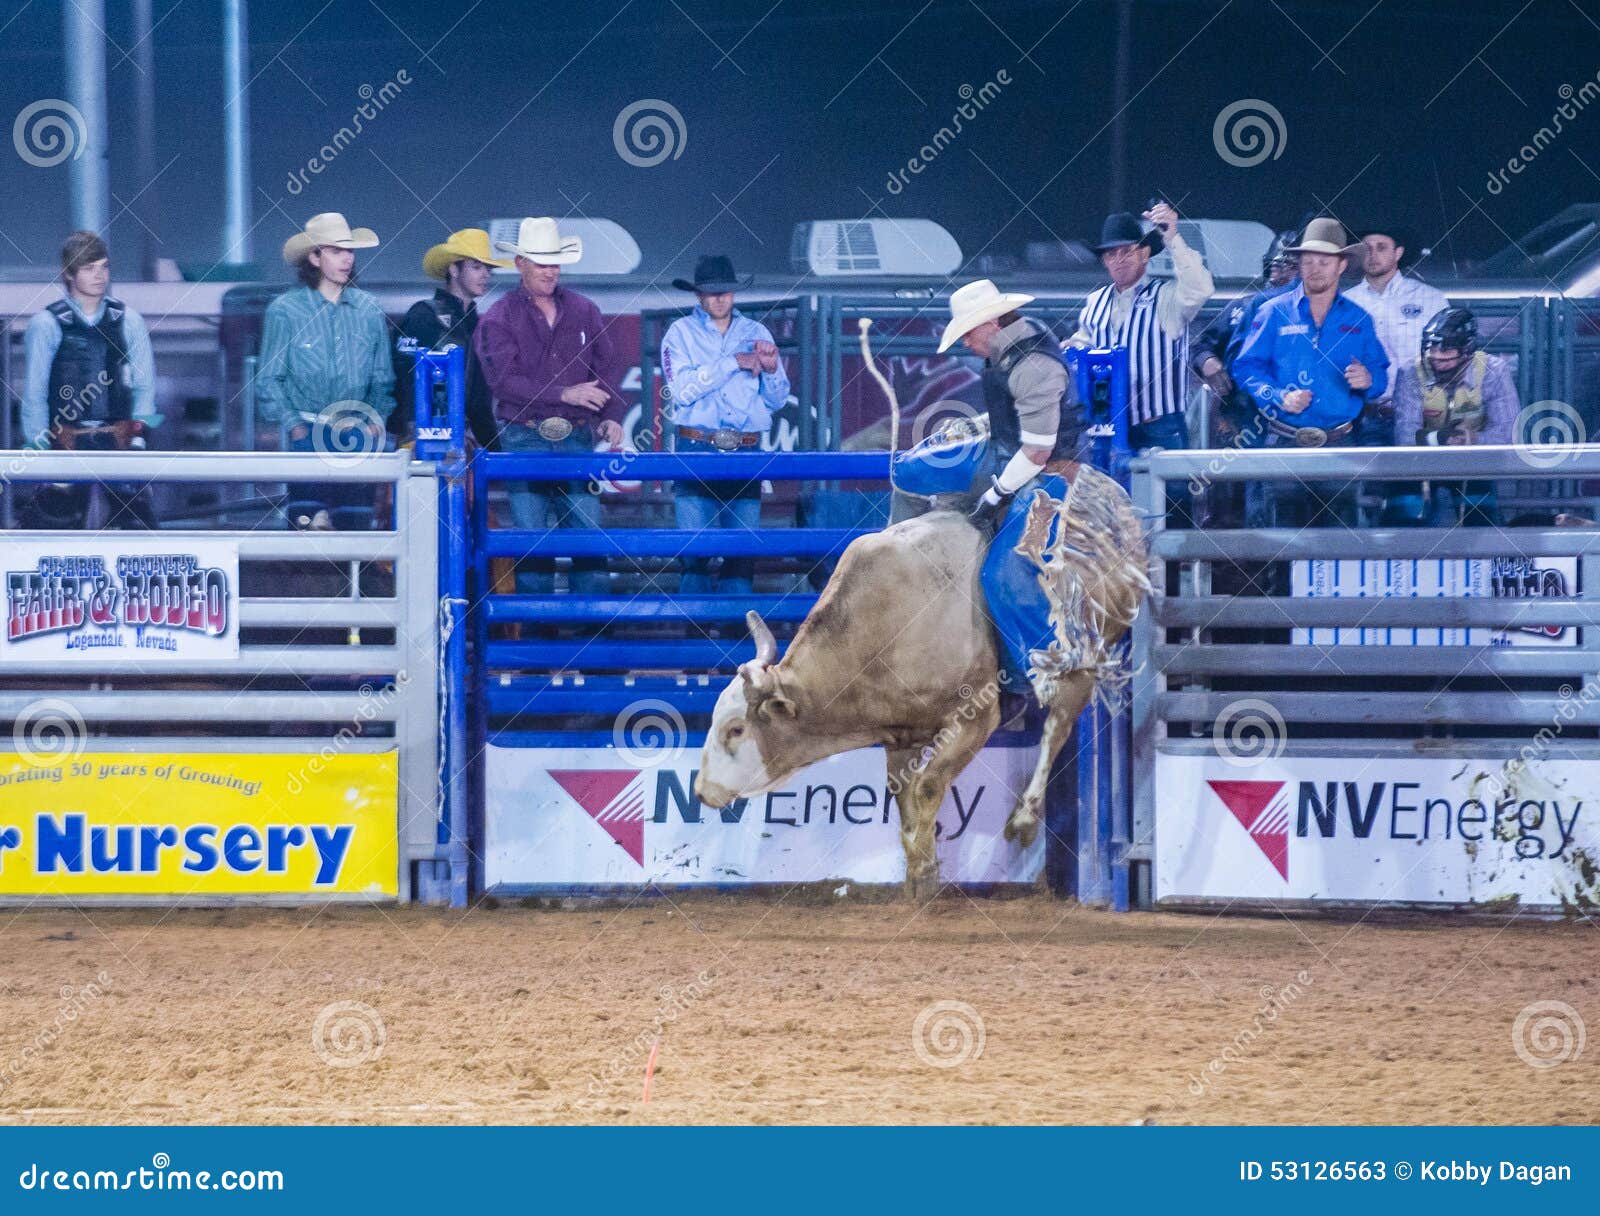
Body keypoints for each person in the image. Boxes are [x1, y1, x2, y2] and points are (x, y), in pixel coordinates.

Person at [475, 216, 624, 595]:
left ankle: (591, 634)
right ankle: (537, 634)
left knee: (587, 537)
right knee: (532, 541)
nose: (550, 270)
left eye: (554, 262)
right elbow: (503, 383)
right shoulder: (498, 318)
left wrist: (609, 417)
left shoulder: (585, 311)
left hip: (575, 436)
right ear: (520, 264)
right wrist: (565, 394)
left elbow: (605, 367)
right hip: (525, 438)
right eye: (542, 262)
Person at [1232, 218, 1390, 528]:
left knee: (1339, 546)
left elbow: (1380, 375)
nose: (1315, 268)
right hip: (1285, 442)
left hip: (1340, 443)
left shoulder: (1360, 320)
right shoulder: (1272, 312)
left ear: (1341, 265)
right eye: (1308, 261)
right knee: (1280, 549)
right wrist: (1278, 395)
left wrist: (1369, 381)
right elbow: (1246, 367)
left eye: (1324, 261)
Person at [257, 212, 396, 530]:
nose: (346, 259)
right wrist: (295, 426)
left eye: (349, 251)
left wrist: (374, 424)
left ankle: (357, 579)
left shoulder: (369, 309)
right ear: (314, 257)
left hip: (357, 434)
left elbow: (382, 376)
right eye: (336, 251)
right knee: (307, 529)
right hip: (308, 430)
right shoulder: (285, 311)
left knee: (357, 529)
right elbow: (268, 378)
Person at [662, 255, 790, 595]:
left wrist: (773, 367)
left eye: (725, 292)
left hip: (745, 448)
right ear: (698, 296)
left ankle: (736, 642)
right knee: (694, 555)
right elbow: (681, 392)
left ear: (733, 294)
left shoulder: (756, 333)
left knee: (741, 555)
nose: (719, 298)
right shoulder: (680, 333)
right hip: (696, 447)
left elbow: (777, 400)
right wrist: (733, 362)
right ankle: (695, 641)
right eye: (711, 292)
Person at [18, 230, 161, 529]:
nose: (99, 275)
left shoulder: (129, 319)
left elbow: (144, 384)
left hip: (119, 439)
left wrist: (138, 438)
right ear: (69, 274)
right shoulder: (46, 324)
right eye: (88, 268)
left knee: (137, 527)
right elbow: (35, 391)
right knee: (54, 524)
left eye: (104, 267)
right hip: (64, 440)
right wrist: (39, 447)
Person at [1066, 203, 1213, 452]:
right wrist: (1072, 350)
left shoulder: (1167, 296)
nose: (1119, 260)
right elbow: (1084, 345)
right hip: (1107, 425)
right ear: (1104, 261)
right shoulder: (1094, 302)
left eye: (1127, 251)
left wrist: (1173, 238)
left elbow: (1201, 288)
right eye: (1111, 254)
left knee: (1170, 491)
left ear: (1145, 254)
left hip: (1159, 427)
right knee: (1108, 489)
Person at [1384, 307, 1518, 526]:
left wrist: (1472, 440)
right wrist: (1443, 438)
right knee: (1403, 512)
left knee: (1480, 517)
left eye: (1446, 353)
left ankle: (1480, 554)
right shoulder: (1410, 373)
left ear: (1466, 350)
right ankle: (1401, 553)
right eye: (1432, 350)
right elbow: (1405, 437)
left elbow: (1507, 434)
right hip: (1419, 464)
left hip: (1475, 463)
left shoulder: (1494, 371)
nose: (1437, 356)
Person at [393, 228, 508, 448]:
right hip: (421, 436)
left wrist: (493, 448)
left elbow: (478, 398)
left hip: (459, 439)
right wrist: (412, 433)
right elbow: (404, 379)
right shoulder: (423, 315)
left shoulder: (477, 324)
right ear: (454, 269)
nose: (486, 275)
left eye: (487, 268)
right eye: (476, 267)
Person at [1192, 227, 1301, 446]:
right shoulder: (1244, 307)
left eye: (1287, 267)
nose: (1275, 273)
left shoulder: (1316, 313)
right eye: (1273, 265)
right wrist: (1207, 361)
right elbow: (1198, 346)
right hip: (1243, 417)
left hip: (1294, 417)